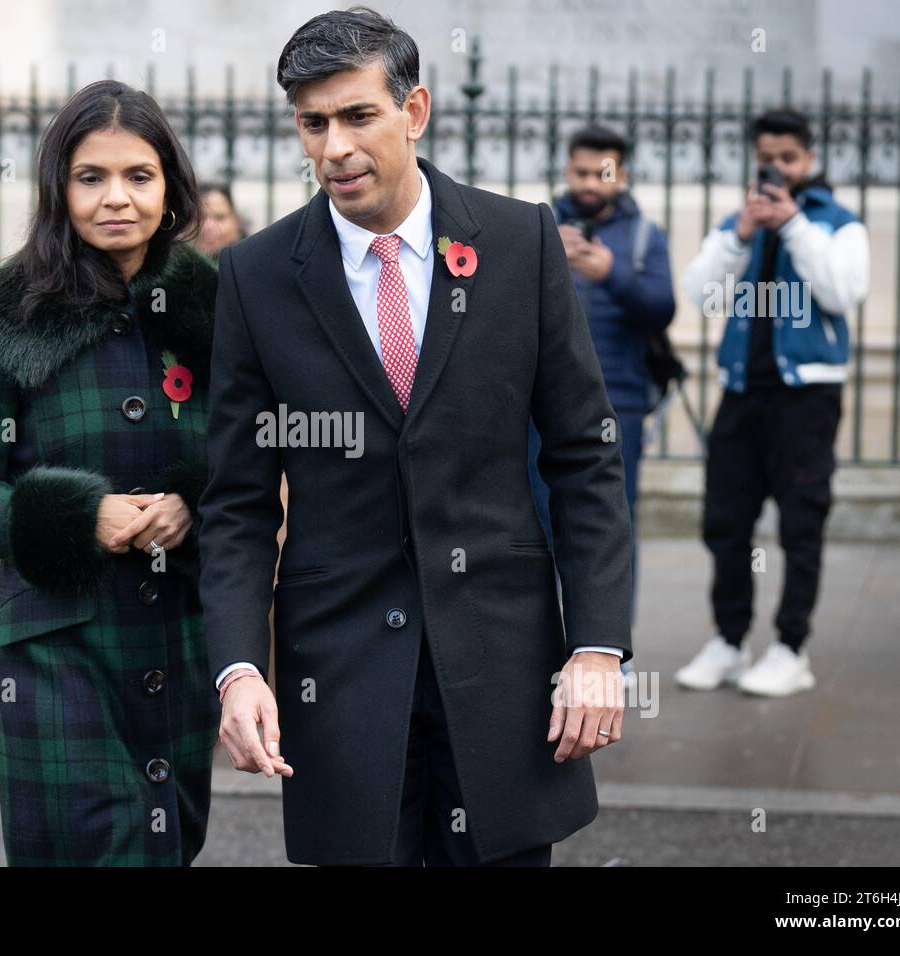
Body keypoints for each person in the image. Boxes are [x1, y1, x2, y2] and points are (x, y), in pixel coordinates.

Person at [199, 6, 632, 867]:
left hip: (503, 667)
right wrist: (239, 669)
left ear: (415, 110)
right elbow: (238, 503)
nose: (335, 147)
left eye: (358, 116)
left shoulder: (519, 243)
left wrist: (596, 647)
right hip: (342, 676)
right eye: (312, 123)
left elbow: (584, 456)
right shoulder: (256, 275)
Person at [0, 80, 219, 865]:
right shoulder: (9, 314)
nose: (116, 197)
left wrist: (191, 501)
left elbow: (251, 454)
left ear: (170, 187)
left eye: (139, 176)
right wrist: (79, 517)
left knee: (168, 842)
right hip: (57, 644)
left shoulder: (210, 307)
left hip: (177, 634)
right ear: (60, 187)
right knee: (96, 845)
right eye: (91, 177)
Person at [677, 108, 869, 697]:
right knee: (725, 522)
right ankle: (730, 640)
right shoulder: (741, 222)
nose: (777, 169)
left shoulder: (838, 223)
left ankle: (791, 648)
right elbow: (699, 293)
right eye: (767, 159)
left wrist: (793, 225)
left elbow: (841, 292)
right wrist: (740, 233)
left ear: (808, 159)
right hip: (741, 392)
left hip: (807, 397)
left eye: (788, 158)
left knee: (800, 524)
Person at [527, 124, 676, 687]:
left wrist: (609, 273)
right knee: (536, 523)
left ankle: (612, 650)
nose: (590, 183)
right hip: (539, 408)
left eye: (602, 172)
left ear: (622, 175)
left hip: (620, 407)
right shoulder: (537, 228)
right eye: (581, 171)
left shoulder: (643, 236)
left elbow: (661, 307)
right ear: (568, 170)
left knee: (612, 525)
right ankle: (545, 646)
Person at [194, 181, 247, 258]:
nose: (208, 227)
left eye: (219, 217)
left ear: (236, 221)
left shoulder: (254, 260)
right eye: (199, 218)